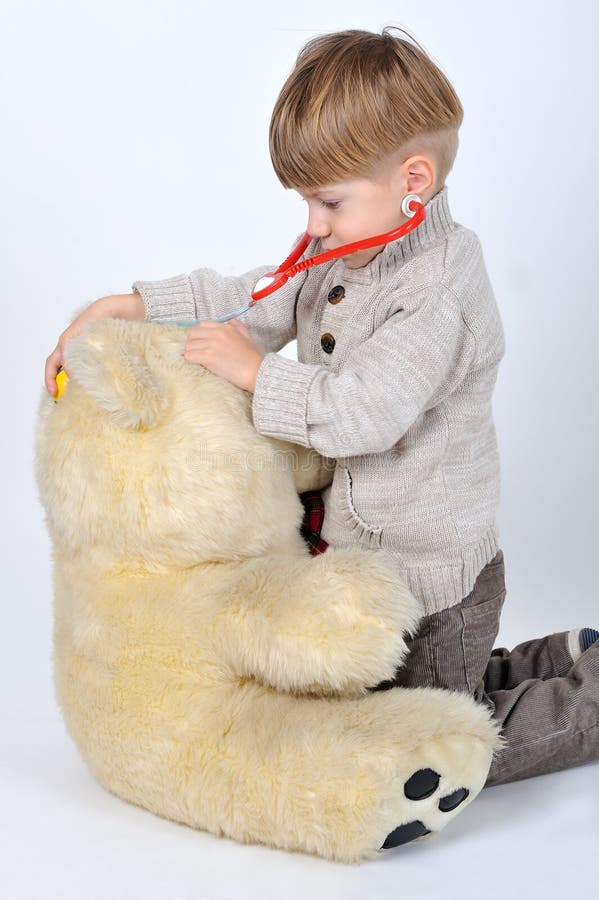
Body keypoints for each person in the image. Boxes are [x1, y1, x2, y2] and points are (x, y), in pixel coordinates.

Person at [44, 27, 599, 788]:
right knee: (392, 698)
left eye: (327, 199)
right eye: (307, 200)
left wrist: (252, 374)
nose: (311, 223)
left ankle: (586, 703)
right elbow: (257, 297)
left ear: (413, 178)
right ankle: (556, 656)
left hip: (431, 580)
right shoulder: (345, 245)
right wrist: (137, 304)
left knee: (443, 737)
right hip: (360, 569)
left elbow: (362, 412)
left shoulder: (442, 287)